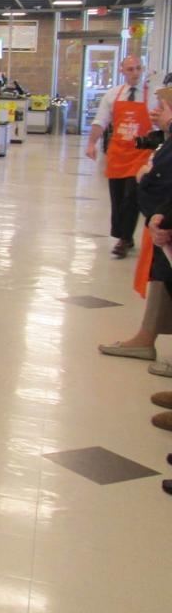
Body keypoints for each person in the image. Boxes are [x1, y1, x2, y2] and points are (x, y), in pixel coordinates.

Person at [99, 86, 172, 381]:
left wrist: (164, 217)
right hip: (156, 215)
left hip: (163, 217)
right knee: (160, 274)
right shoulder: (116, 95)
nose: (156, 111)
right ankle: (146, 336)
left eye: (162, 107)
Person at [85, 55, 154, 258]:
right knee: (117, 199)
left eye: (138, 69)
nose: (135, 73)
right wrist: (91, 143)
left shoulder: (151, 97)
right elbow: (101, 121)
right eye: (130, 69)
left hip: (141, 156)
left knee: (131, 198)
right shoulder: (113, 95)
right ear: (122, 71)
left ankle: (124, 239)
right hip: (118, 155)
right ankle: (124, 235)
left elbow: (160, 124)